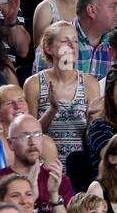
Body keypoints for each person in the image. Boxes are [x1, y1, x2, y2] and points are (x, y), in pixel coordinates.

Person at [25, 21, 105, 156]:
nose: (72, 46)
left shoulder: (90, 84)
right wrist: (52, 109)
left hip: (78, 166)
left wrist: (91, 118)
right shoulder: (33, 84)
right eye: (65, 41)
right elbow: (30, 136)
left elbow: (92, 140)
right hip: (45, 164)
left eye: (75, 41)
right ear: (48, 48)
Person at [0, 113, 73, 213]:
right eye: (24, 136)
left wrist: (54, 195)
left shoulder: (58, 180)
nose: (32, 142)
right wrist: (31, 193)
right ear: (10, 143)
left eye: (37, 135)